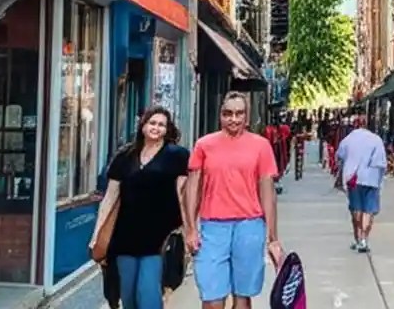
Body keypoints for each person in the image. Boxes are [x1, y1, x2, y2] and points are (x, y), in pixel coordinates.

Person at [183, 92, 284, 309]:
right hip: (212, 227)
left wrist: (273, 238)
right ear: (220, 115)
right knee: (211, 300)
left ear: (247, 118)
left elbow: (267, 191)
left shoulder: (261, 146)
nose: (234, 119)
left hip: (249, 226)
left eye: (239, 114)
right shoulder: (204, 145)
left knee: (242, 296)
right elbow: (192, 187)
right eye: (228, 113)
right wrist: (191, 228)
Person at [91, 107, 189, 309]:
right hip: (124, 238)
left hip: (159, 239)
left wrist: (189, 230)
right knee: (128, 297)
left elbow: (183, 195)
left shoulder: (177, 156)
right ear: (143, 126)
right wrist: (97, 234)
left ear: (167, 129)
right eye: (152, 123)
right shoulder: (125, 156)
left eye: (162, 124)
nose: (156, 128)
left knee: (149, 295)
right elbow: (110, 198)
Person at [335, 116, 388, 252]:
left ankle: (357, 237)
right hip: (372, 178)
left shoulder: (348, 139)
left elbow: (340, 155)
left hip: (354, 177)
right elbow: (381, 161)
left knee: (356, 208)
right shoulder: (376, 139)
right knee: (368, 210)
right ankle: (364, 239)